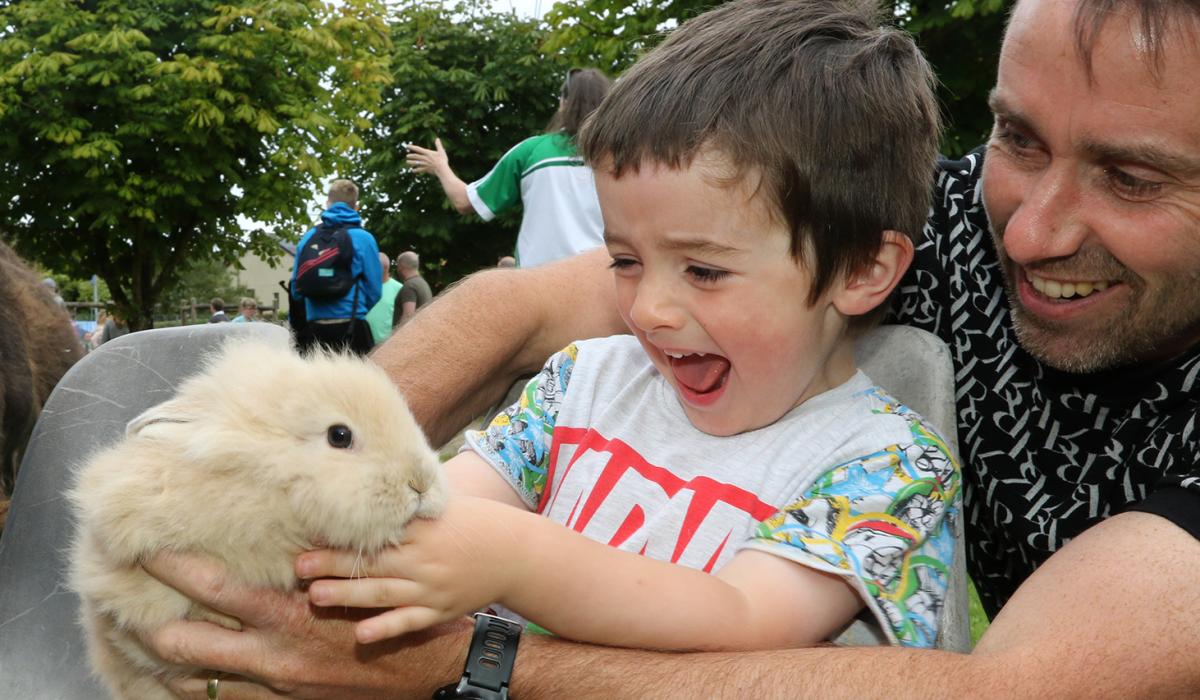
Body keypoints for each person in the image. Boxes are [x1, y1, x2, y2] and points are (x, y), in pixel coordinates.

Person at [144, 0, 1200, 696]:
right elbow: (507, 330)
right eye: (1018, 137)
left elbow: (1006, 685)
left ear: (865, 272)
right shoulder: (599, 378)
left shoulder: (880, 465)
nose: (1027, 231)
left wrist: (480, 626)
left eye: (1134, 177)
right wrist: (295, 487)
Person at [306, 0, 952, 655]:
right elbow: (445, 511)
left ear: (864, 269)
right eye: (624, 261)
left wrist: (516, 559)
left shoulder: (886, 467)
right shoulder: (578, 384)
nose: (647, 310)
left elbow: (746, 618)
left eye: (702, 270)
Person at [406, 68, 612, 269]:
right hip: (599, 282)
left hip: (536, 284)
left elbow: (464, 201)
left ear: (563, 104)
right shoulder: (623, 157)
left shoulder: (531, 151)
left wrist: (440, 166)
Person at [290, 179, 382, 356]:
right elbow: (374, 290)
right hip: (352, 328)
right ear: (356, 206)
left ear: (327, 203)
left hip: (314, 330)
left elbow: (296, 288)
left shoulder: (308, 237)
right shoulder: (364, 238)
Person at [365, 252, 404, 346]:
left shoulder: (400, 289)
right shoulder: (363, 287)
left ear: (384, 269)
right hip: (364, 344)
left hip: (387, 345)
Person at [391, 251, 432, 328]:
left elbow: (408, 316)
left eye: (397, 265)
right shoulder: (423, 283)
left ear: (401, 266)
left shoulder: (409, 286)